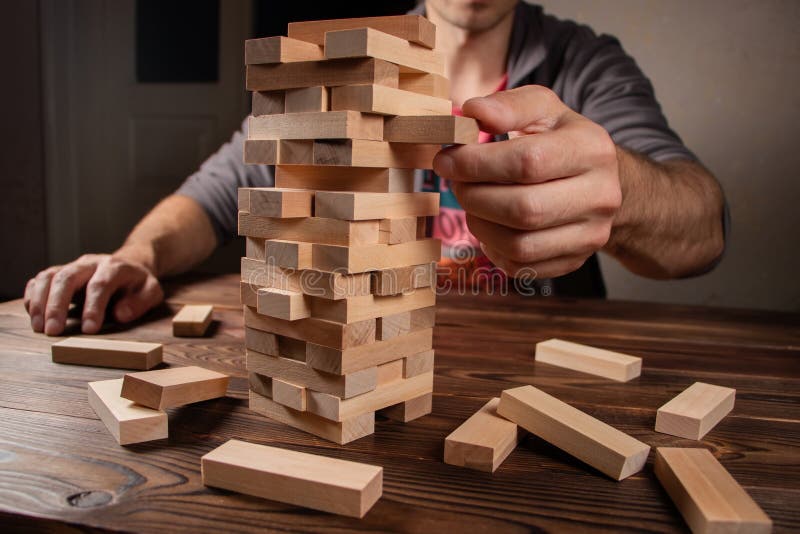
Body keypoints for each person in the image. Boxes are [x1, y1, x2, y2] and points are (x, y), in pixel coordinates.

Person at [23, 0, 726, 336]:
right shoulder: (344, 59)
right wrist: (135, 255)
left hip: (539, 364)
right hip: (360, 351)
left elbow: (702, 225)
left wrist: (622, 191)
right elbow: (219, 191)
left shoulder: (587, 63)